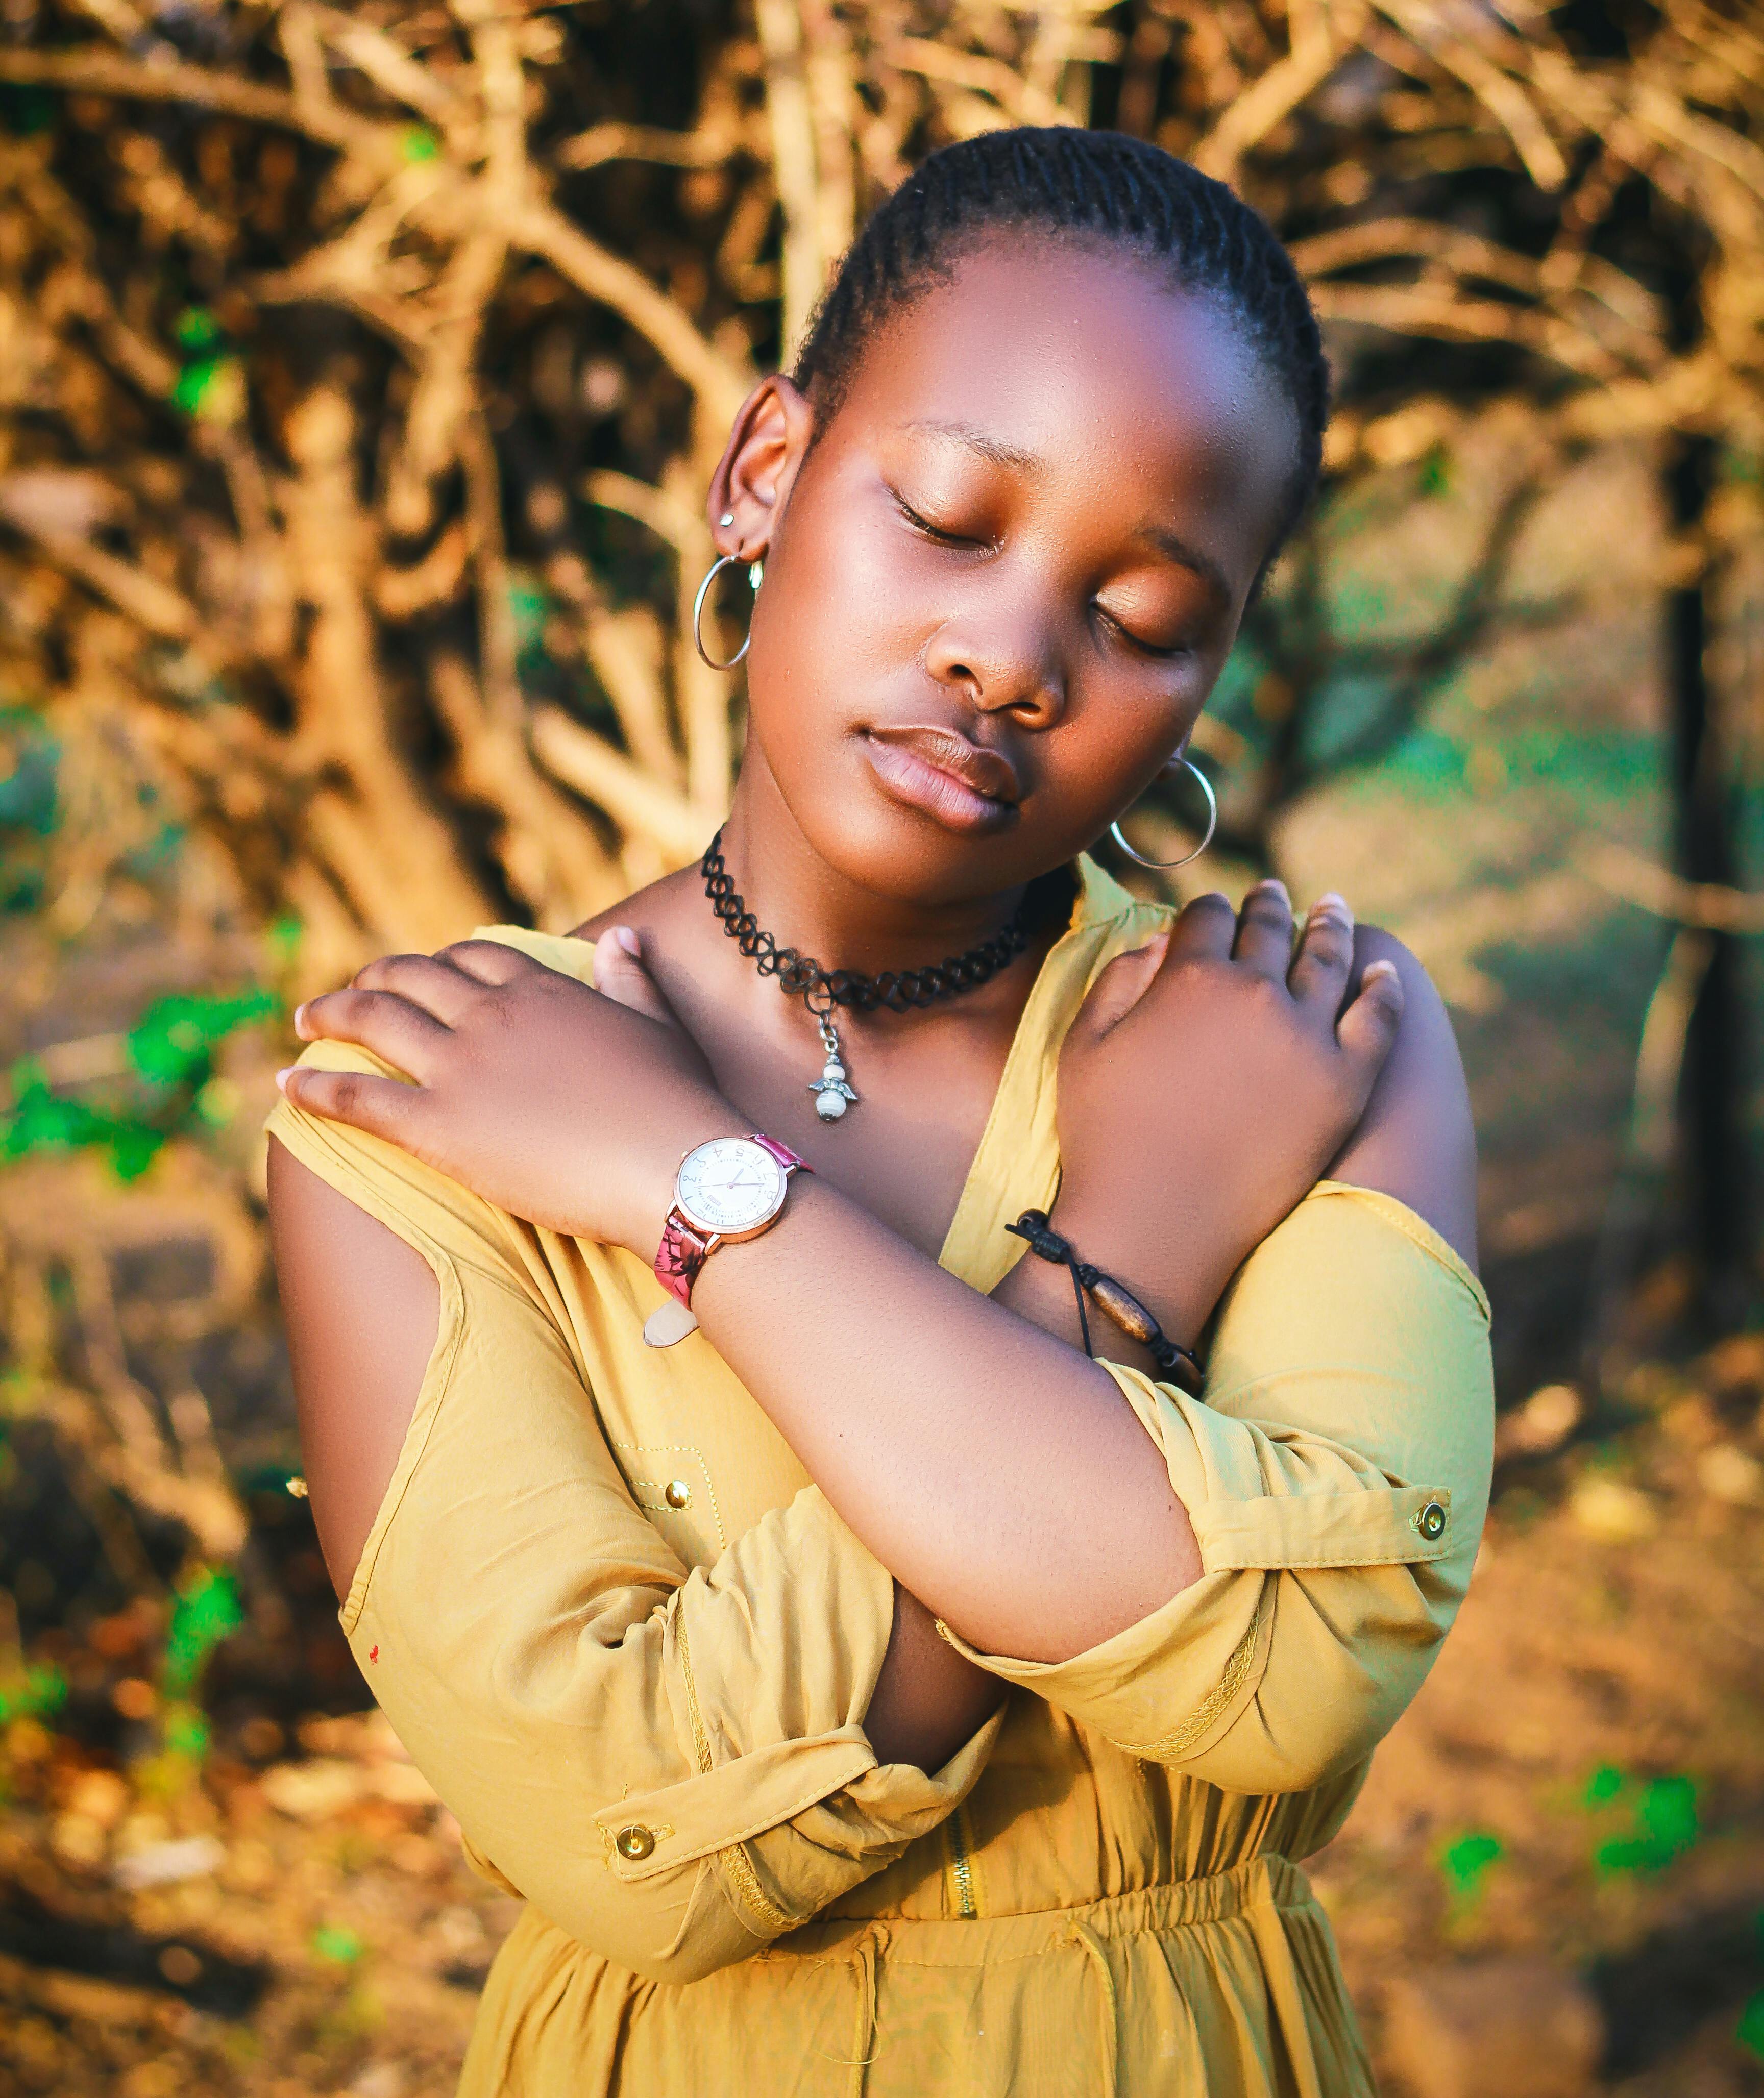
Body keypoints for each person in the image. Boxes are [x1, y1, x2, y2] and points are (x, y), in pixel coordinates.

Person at [266, 129, 1490, 2097]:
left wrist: (678, 1187)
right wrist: (1132, 1261)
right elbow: (634, 1843)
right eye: (945, 517)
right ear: (771, 473)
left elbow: (1292, 1675)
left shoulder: (1309, 1036)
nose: (1010, 656)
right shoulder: (423, 1101)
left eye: (1146, 614)